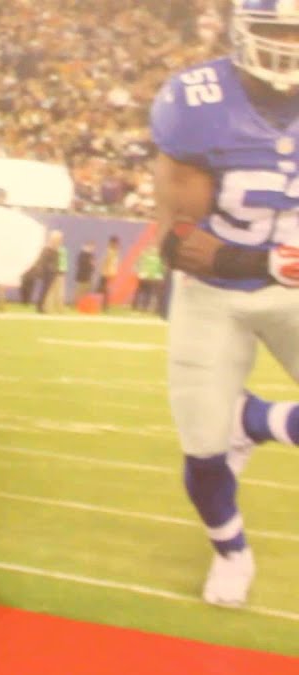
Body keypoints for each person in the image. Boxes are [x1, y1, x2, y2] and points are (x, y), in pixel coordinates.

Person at [150, 0, 299, 608]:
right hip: (215, 291)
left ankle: (255, 421)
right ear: (244, 30)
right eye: (278, 28)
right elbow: (178, 240)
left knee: (224, 428)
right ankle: (232, 551)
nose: (289, 42)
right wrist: (264, 263)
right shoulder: (197, 99)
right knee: (204, 446)